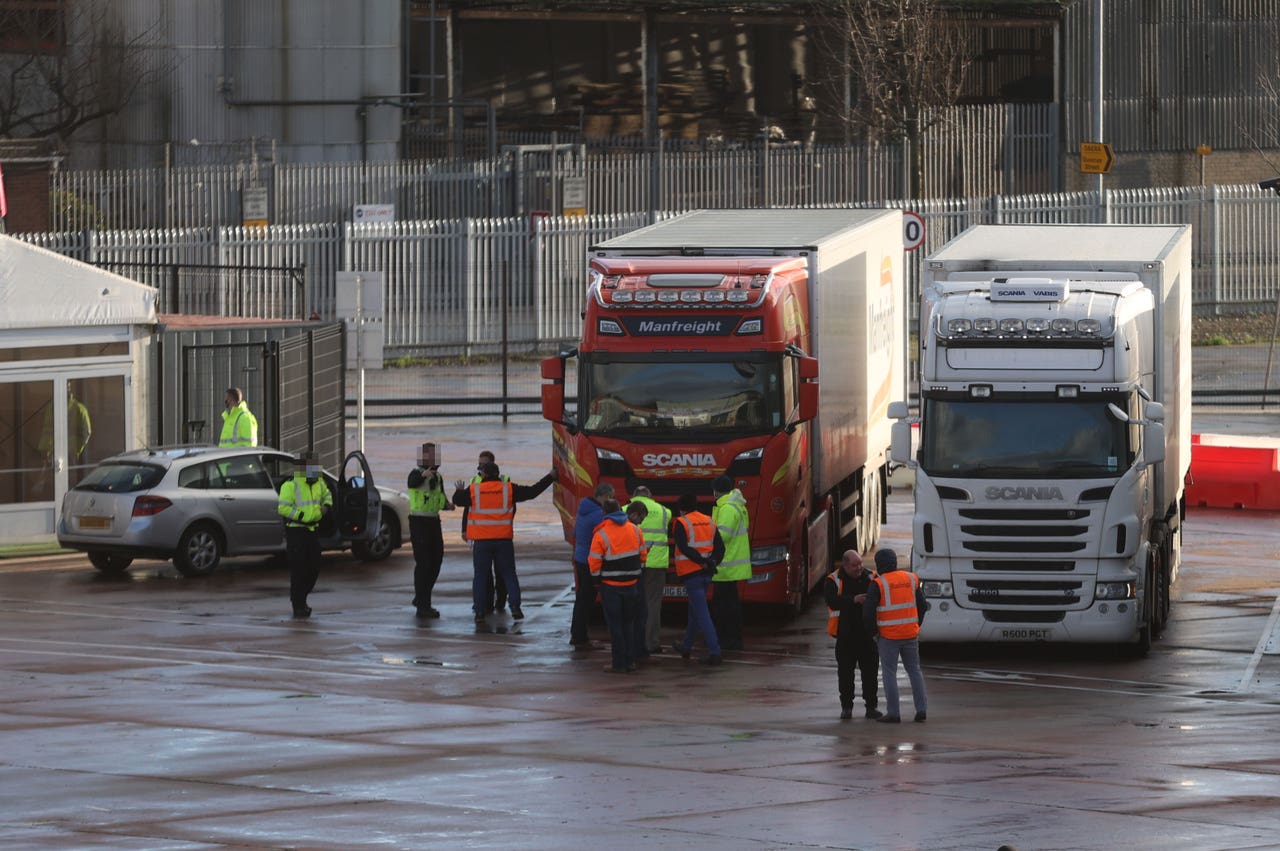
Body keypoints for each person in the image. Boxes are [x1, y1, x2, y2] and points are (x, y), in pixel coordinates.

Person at [453, 461, 554, 624]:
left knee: (480, 577)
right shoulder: (509, 489)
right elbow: (533, 491)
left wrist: (458, 490)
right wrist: (550, 477)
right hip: (503, 541)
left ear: (483, 474)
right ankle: (515, 607)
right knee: (509, 574)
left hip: (482, 542)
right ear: (498, 474)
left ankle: (479, 612)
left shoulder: (474, 490)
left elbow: (457, 500)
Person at [863, 548, 929, 723]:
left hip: (888, 637)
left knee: (889, 673)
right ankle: (921, 710)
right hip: (910, 633)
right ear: (895, 562)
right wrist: (916, 624)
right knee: (914, 670)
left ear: (878, 564)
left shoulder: (878, 584)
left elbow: (868, 613)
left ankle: (893, 713)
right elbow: (922, 606)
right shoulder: (910, 578)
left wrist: (874, 634)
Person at [588, 498, 647, 673]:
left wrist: (596, 580)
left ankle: (619, 663)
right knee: (629, 624)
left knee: (615, 626)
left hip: (610, 586)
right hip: (631, 584)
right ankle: (630, 661)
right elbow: (643, 555)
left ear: (604, 513)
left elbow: (594, 561)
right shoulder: (635, 530)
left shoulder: (601, 533)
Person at [823, 550, 883, 720]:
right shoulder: (833, 580)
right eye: (855, 565)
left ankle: (871, 707)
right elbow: (831, 601)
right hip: (845, 636)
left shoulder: (871, 577)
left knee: (870, 674)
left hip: (867, 636)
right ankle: (846, 708)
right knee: (845, 674)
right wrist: (853, 600)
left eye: (861, 564)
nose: (859, 568)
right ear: (845, 565)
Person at [670, 493, 725, 665]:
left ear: (681, 508)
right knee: (694, 613)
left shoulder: (681, 522)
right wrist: (711, 562)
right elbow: (720, 547)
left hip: (691, 572)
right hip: (707, 572)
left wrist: (701, 561)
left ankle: (715, 652)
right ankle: (686, 646)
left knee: (702, 614)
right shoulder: (709, 520)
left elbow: (684, 547)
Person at [278, 451, 333, 618]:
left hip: (312, 531)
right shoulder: (290, 485)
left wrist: (326, 506)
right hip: (296, 531)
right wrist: (302, 516)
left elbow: (328, 495)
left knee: (314, 568)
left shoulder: (319, 483)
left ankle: (302, 598)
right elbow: (283, 508)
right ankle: (298, 604)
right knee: (298, 569)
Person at [407, 443, 454, 618]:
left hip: (434, 521)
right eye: (431, 455)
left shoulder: (438, 477)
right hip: (419, 522)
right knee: (424, 563)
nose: (435, 459)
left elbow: (439, 496)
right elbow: (411, 484)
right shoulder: (416, 473)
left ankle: (421, 597)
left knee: (436, 561)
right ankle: (423, 605)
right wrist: (423, 475)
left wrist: (448, 505)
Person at [461, 450, 509, 612]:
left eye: (483, 464)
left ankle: (501, 600)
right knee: (484, 572)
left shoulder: (504, 481)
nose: (480, 467)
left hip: (499, 534)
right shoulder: (474, 482)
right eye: (479, 464)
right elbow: (467, 507)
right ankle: (485, 603)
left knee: (501, 571)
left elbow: (511, 506)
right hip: (480, 534)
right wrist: (464, 530)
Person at [570, 481, 614, 648]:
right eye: (610, 498)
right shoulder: (599, 515)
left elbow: (575, 533)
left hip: (581, 559)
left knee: (582, 599)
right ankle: (580, 637)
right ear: (605, 496)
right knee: (587, 600)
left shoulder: (583, 510)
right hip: (591, 561)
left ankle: (578, 634)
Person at [629, 485, 671, 655]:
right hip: (656, 563)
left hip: (633, 563)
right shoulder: (665, 511)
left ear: (634, 497)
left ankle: (633, 642)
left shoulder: (625, 509)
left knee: (632, 604)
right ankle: (651, 643)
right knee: (653, 604)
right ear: (650, 496)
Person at [710, 474, 750, 651]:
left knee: (724, 607)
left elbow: (722, 536)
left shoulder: (727, 508)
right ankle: (732, 639)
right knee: (730, 605)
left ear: (715, 491)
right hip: (732, 563)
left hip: (725, 565)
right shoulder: (737, 506)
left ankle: (728, 640)